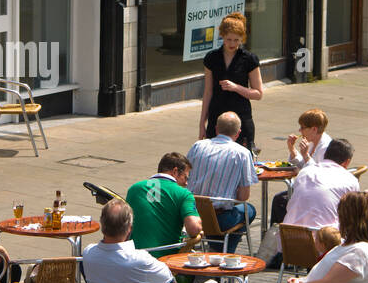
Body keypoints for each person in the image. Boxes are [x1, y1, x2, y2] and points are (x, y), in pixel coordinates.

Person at [254, 137, 359, 267]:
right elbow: (349, 216)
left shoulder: (305, 171)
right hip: (324, 245)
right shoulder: (350, 179)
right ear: (347, 162)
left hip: (291, 240)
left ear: (326, 154)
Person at [185, 112, 258, 251]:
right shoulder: (242, 153)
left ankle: (217, 249)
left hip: (191, 214)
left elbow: (184, 178)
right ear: (238, 133)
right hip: (219, 219)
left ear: (216, 129)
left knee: (233, 215)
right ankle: (222, 252)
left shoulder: (198, 146)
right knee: (249, 210)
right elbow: (243, 197)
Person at [199, 12, 263, 150]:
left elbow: (258, 93)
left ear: (242, 38)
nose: (232, 44)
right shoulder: (212, 58)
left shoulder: (249, 59)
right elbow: (208, 92)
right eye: (229, 39)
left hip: (240, 117)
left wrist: (236, 87)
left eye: (236, 40)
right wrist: (201, 124)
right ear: (222, 36)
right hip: (217, 116)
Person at [125, 152, 203, 254]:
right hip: (165, 260)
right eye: (186, 177)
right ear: (175, 171)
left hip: (134, 256)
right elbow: (194, 228)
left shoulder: (134, 189)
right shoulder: (184, 194)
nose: (186, 183)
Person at [269, 107, 332, 225]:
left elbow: (319, 175)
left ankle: (283, 233)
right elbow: (302, 165)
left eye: (303, 128)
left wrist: (306, 155)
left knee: (281, 200)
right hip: (308, 188)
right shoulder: (313, 142)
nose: (300, 131)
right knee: (280, 198)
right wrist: (292, 149)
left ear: (314, 129)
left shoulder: (326, 147)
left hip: (318, 192)